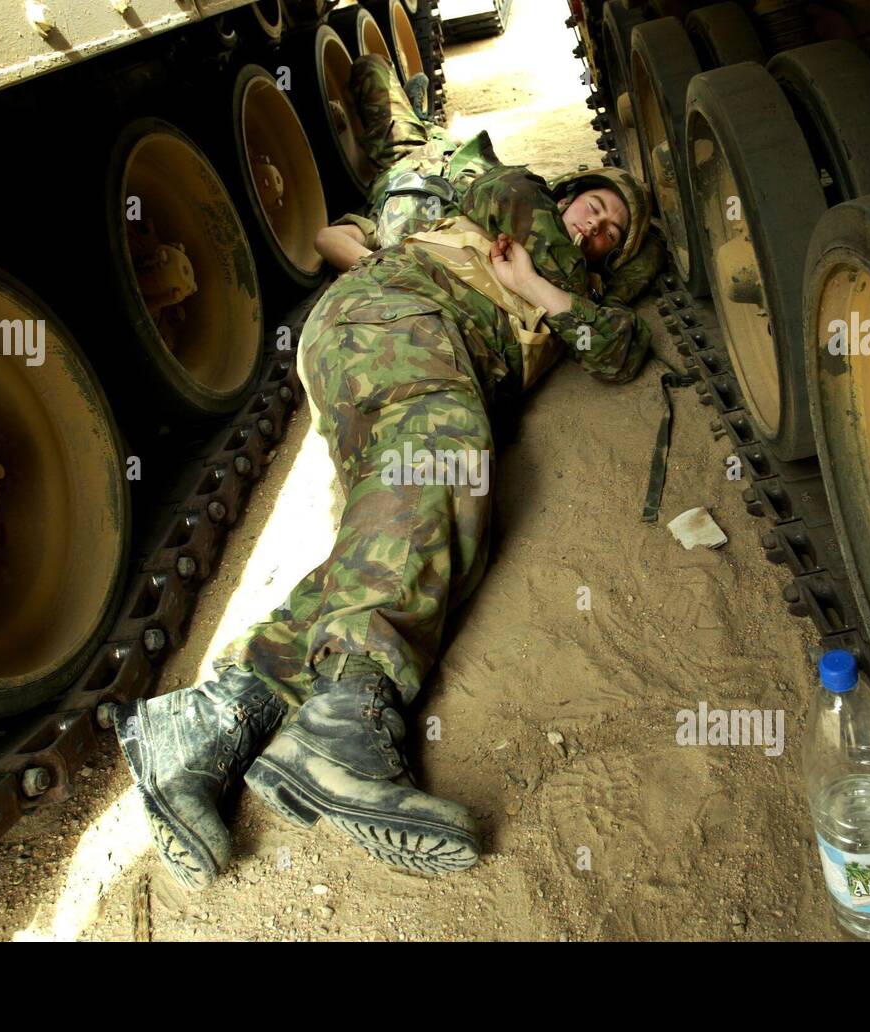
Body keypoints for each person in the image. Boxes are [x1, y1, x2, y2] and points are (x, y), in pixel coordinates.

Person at [115, 54, 666, 890]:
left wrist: (542, 293)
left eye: (610, 235)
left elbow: (623, 352)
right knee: (449, 444)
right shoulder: (518, 201)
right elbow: (486, 188)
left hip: (400, 349)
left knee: (412, 539)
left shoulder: (574, 299)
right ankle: (345, 722)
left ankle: (205, 726)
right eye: (594, 205)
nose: (593, 227)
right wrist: (542, 274)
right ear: (567, 191)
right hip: (394, 317)